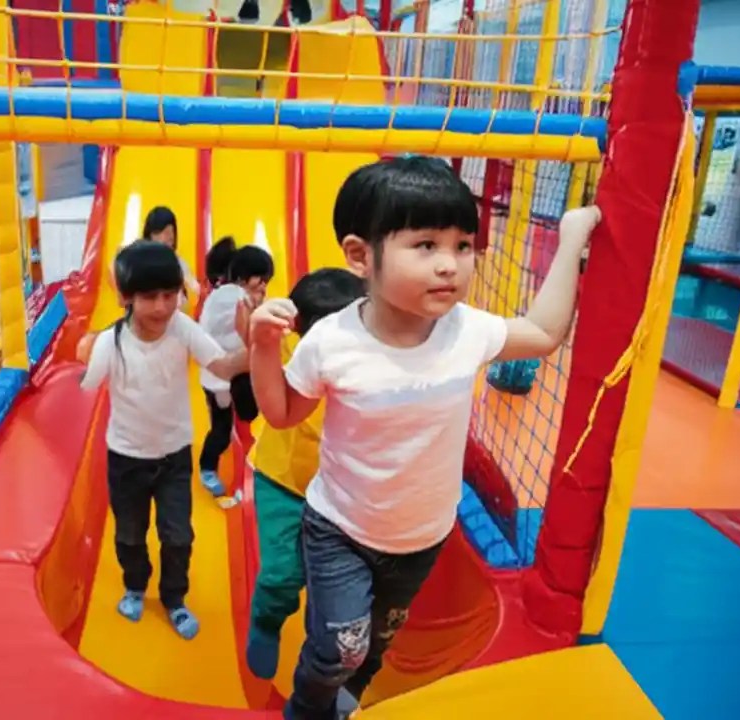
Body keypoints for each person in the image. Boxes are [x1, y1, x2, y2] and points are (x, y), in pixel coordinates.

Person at [248, 157, 598, 718]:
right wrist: (262, 347)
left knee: (376, 646)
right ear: (362, 256)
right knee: (342, 643)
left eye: (463, 246)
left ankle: (345, 695)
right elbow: (284, 413)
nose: (450, 266)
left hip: (421, 537)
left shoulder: (468, 330)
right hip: (340, 528)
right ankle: (307, 704)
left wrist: (571, 237)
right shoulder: (333, 342)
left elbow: (545, 332)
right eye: (426, 246)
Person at [79, 240, 248, 640]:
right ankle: (136, 585)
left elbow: (223, 363)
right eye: (149, 297)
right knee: (129, 533)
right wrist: (79, 354)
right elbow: (82, 390)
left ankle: (174, 597)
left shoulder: (182, 328)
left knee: (178, 535)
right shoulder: (112, 341)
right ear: (126, 297)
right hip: (127, 458)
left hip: (174, 456)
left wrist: (256, 346)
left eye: (170, 295)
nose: (161, 307)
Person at [243, 268, 365, 681]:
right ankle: (266, 619)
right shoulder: (295, 359)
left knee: (332, 585)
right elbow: (267, 382)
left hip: (336, 493)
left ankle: (324, 652)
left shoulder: (369, 368)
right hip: (282, 482)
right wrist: (262, 334)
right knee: (282, 573)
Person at [197, 237, 273, 497]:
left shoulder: (235, 296)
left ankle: (245, 473)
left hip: (236, 374)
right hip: (220, 378)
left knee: (245, 422)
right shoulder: (231, 297)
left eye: (266, 281)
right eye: (259, 279)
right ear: (241, 277)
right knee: (221, 430)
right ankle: (207, 466)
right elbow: (247, 328)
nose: (263, 286)